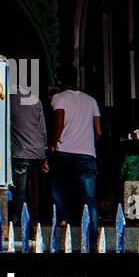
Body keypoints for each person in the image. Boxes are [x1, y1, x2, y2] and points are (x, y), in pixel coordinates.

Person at [49, 70, 101, 248]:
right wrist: (87, 144)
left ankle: (64, 217)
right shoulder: (91, 100)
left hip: (64, 151)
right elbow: (99, 131)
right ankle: (93, 241)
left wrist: (54, 144)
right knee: (90, 198)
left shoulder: (59, 98)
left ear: (61, 82)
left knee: (58, 186)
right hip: (87, 154)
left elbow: (59, 123)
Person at [9, 82, 48, 221]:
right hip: (37, 150)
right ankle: (22, 215)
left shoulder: (7, 98)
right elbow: (42, 129)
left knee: (19, 190)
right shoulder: (35, 99)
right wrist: (45, 157)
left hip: (20, 151)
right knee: (28, 188)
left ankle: (25, 224)